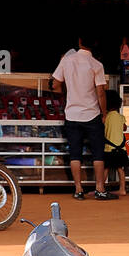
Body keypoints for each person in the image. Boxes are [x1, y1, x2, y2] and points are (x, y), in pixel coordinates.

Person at [51, 33, 117, 201]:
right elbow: (101, 93)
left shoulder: (67, 60)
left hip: (72, 114)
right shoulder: (96, 64)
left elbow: (55, 84)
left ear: (79, 42)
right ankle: (100, 189)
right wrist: (104, 114)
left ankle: (78, 189)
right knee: (98, 154)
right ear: (94, 45)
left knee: (75, 154)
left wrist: (66, 95)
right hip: (92, 114)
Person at [102, 89, 128, 197]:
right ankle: (122, 189)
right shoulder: (121, 117)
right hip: (121, 148)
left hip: (109, 148)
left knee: (105, 169)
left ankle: (101, 188)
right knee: (120, 169)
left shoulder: (105, 118)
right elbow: (125, 128)